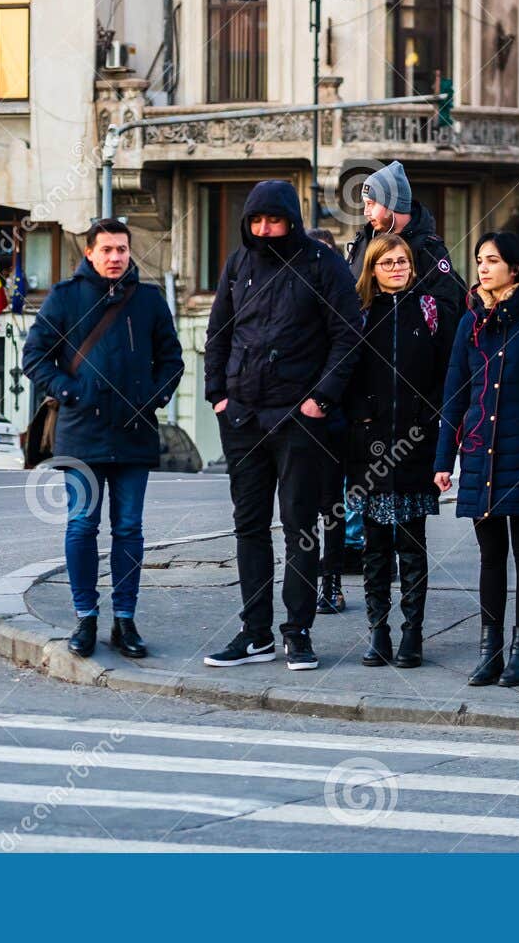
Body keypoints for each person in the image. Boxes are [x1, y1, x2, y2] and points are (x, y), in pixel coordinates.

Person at [202, 180, 361, 672]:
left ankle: (298, 632)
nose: (265, 229)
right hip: (243, 418)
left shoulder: (323, 264)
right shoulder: (238, 264)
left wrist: (320, 399)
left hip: (298, 420)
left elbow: (348, 335)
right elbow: (219, 333)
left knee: (300, 528)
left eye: (274, 220)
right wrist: (218, 396)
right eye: (256, 221)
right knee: (248, 526)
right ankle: (255, 635)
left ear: (291, 219)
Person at [23, 218, 184, 659]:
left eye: (122, 250)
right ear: (90, 253)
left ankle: (125, 622)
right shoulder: (65, 297)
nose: (116, 257)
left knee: (129, 529)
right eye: (107, 249)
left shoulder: (149, 301)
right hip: (81, 433)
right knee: (82, 526)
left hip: (134, 434)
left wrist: (152, 398)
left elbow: (172, 359)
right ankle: (85, 619)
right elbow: (34, 356)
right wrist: (68, 390)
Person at [435, 232, 519, 689]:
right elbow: (455, 391)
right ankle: (489, 651)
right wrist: (443, 459)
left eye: (492, 260)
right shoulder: (471, 321)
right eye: (479, 260)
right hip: (479, 454)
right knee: (490, 556)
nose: (483, 267)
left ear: (515, 268)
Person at [345, 233, 456, 669]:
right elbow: (345, 371)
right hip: (369, 447)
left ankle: (413, 634)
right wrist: (360, 415)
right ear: (372, 268)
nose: (396, 268)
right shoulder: (358, 313)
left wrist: (428, 417)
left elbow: (448, 371)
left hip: (415, 443)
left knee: (411, 544)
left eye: (402, 261)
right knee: (374, 547)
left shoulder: (430, 311)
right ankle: (379, 631)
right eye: (387, 262)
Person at [346, 161, 467, 329]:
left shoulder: (429, 249)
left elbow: (448, 310)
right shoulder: (364, 240)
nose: (366, 212)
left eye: (371, 204)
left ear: (391, 204)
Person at [308, 226, 352, 614]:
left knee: (331, 505)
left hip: (337, 417)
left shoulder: (345, 300)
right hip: (297, 418)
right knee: (300, 506)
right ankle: (307, 581)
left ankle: (332, 582)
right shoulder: (293, 300)